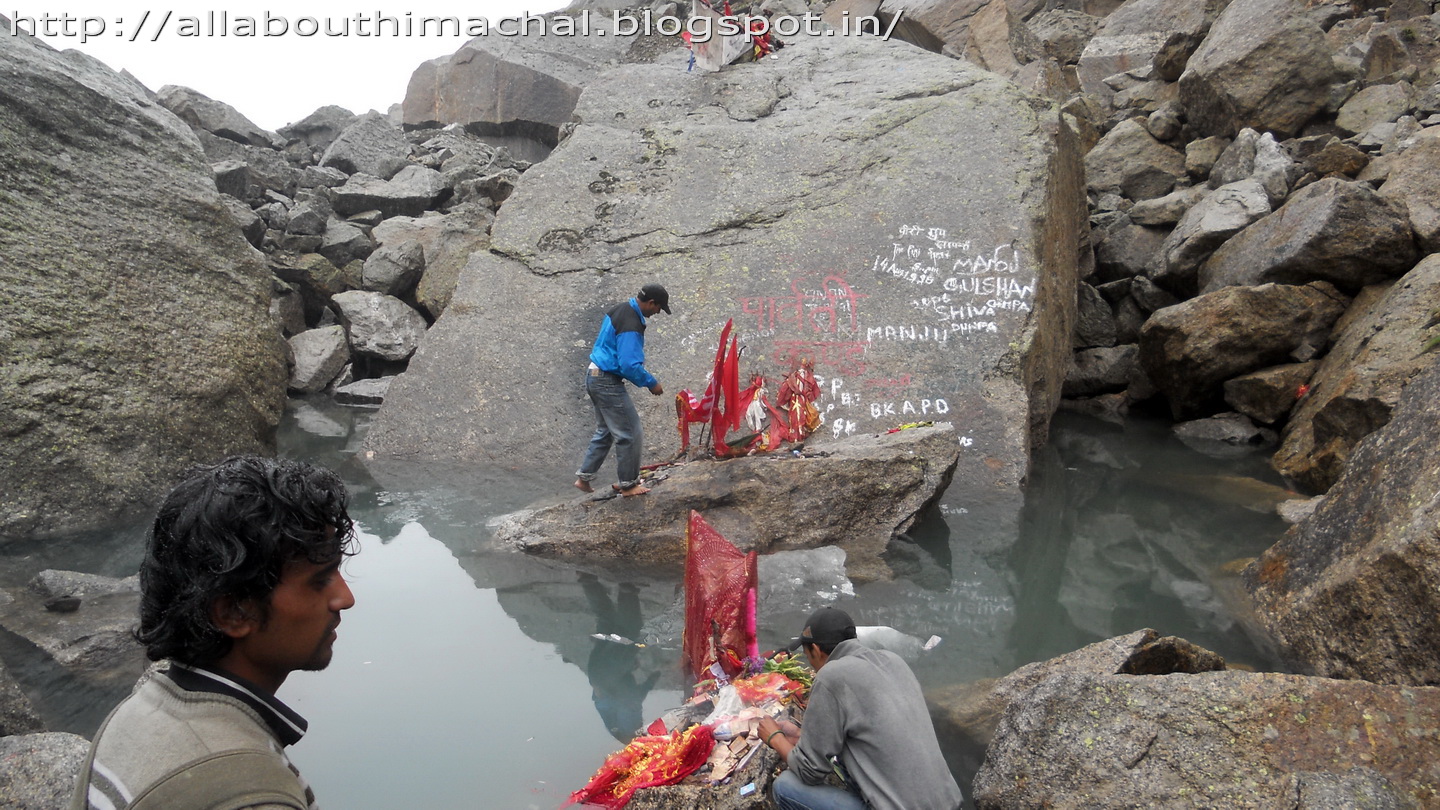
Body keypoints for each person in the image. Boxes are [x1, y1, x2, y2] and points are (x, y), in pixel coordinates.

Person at [71, 455, 358, 810]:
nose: (345, 599)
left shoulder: (136, 712)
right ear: (234, 613)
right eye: (319, 581)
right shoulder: (246, 794)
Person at [757, 607, 964, 810]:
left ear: (817, 651)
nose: (812, 665)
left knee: (785, 787)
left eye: (808, 656)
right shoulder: (894, 661)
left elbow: (809, 771)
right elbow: (874, 728)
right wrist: (804, 735)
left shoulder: (831, 676)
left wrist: (775, 737)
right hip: (950, 803)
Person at [574, 283, 672, 497]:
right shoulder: (632, 322)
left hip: (594, 375)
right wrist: (651, 383)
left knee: (606, 431)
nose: (657, 313)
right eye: (658, 308)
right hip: (607, 381)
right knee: (630, 432)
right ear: (651, 303)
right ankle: (628, 484)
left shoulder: (619, 309)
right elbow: (629, 364)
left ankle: (584, 478)